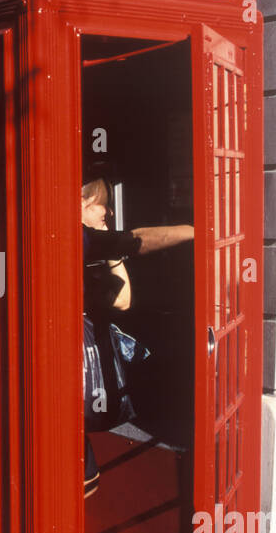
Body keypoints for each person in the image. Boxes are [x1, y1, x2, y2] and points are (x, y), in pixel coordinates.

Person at [82, 172, 193, 497]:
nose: (108, 213)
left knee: (81, 485)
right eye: (103, 204)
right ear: (83, 202)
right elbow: (136, 240)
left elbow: (121, 299)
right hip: (59, 386)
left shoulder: (87, 247)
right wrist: (197, 231)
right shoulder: (79, 238)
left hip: (59, 392)